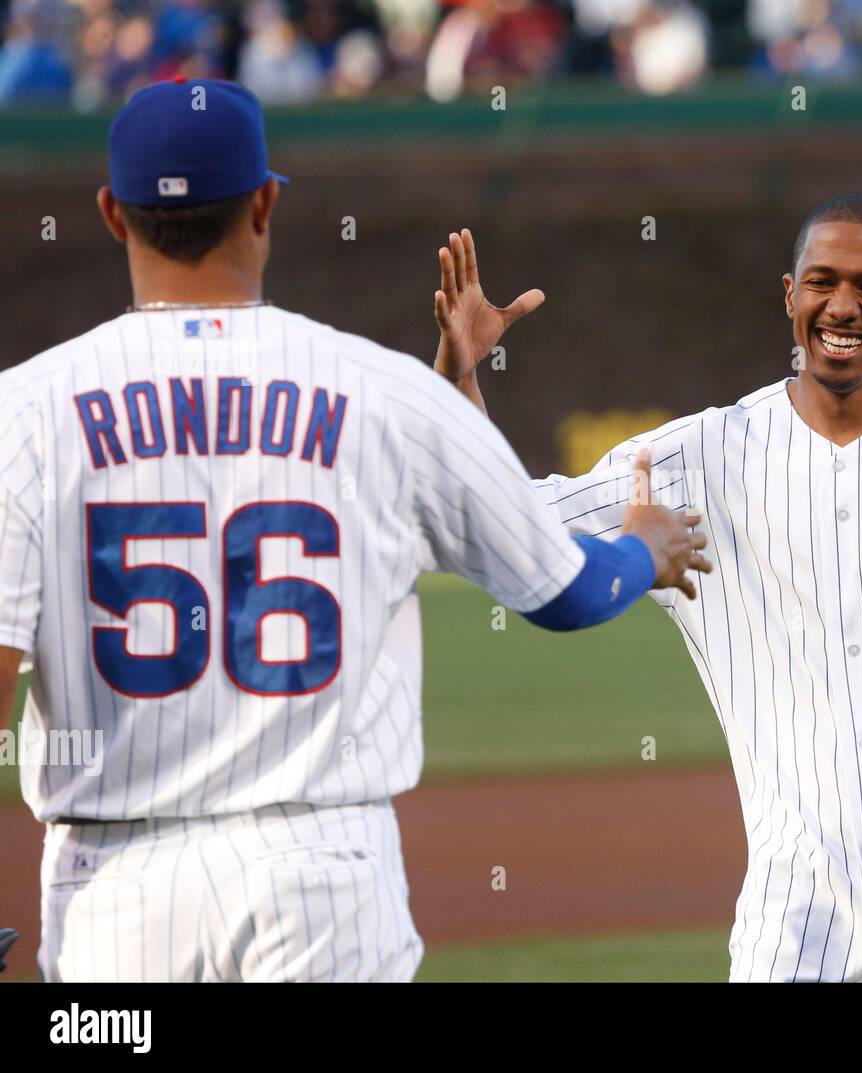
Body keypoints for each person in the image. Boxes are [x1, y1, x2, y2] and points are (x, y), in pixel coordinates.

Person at [0, 77, 709, 983]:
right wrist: (644, 548)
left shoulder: (25, 413)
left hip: (114, 892)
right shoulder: (383, 393)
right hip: (322, 876)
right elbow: (568, 592)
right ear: (265, 202)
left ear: (110, 213)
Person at [431, 194, 862, 982]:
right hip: (799, 931)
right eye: (822, 282)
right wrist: (458, 378)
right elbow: (501, 521)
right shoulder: (699, 458)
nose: (843, 306)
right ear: (789, 295)